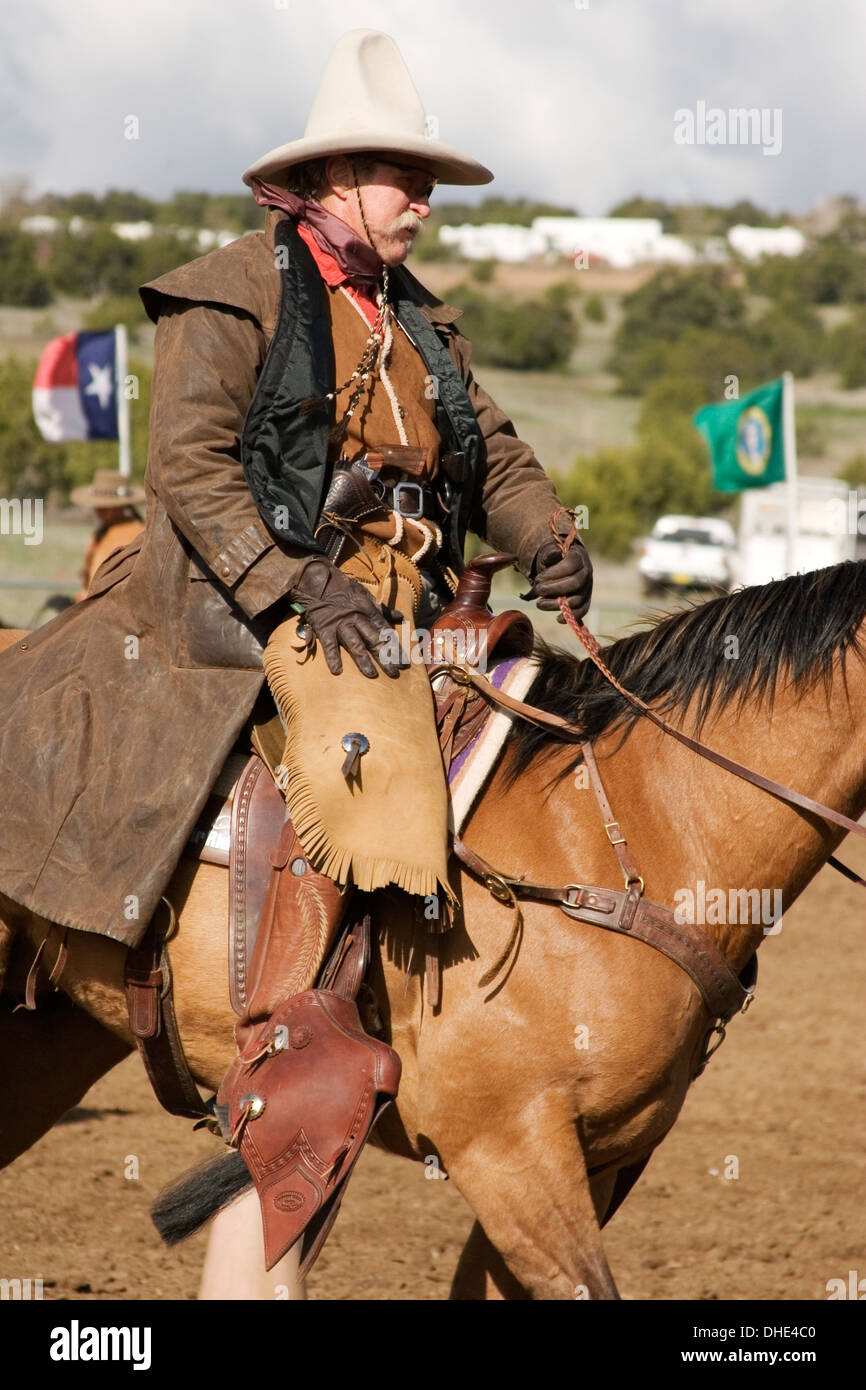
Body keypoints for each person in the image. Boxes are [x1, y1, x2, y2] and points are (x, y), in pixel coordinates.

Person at [71, 470, 145, 602]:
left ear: (120, 505)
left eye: (105, 505)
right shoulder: (104, 532)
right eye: (98, 504)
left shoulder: (129, 533)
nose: (99, 509)